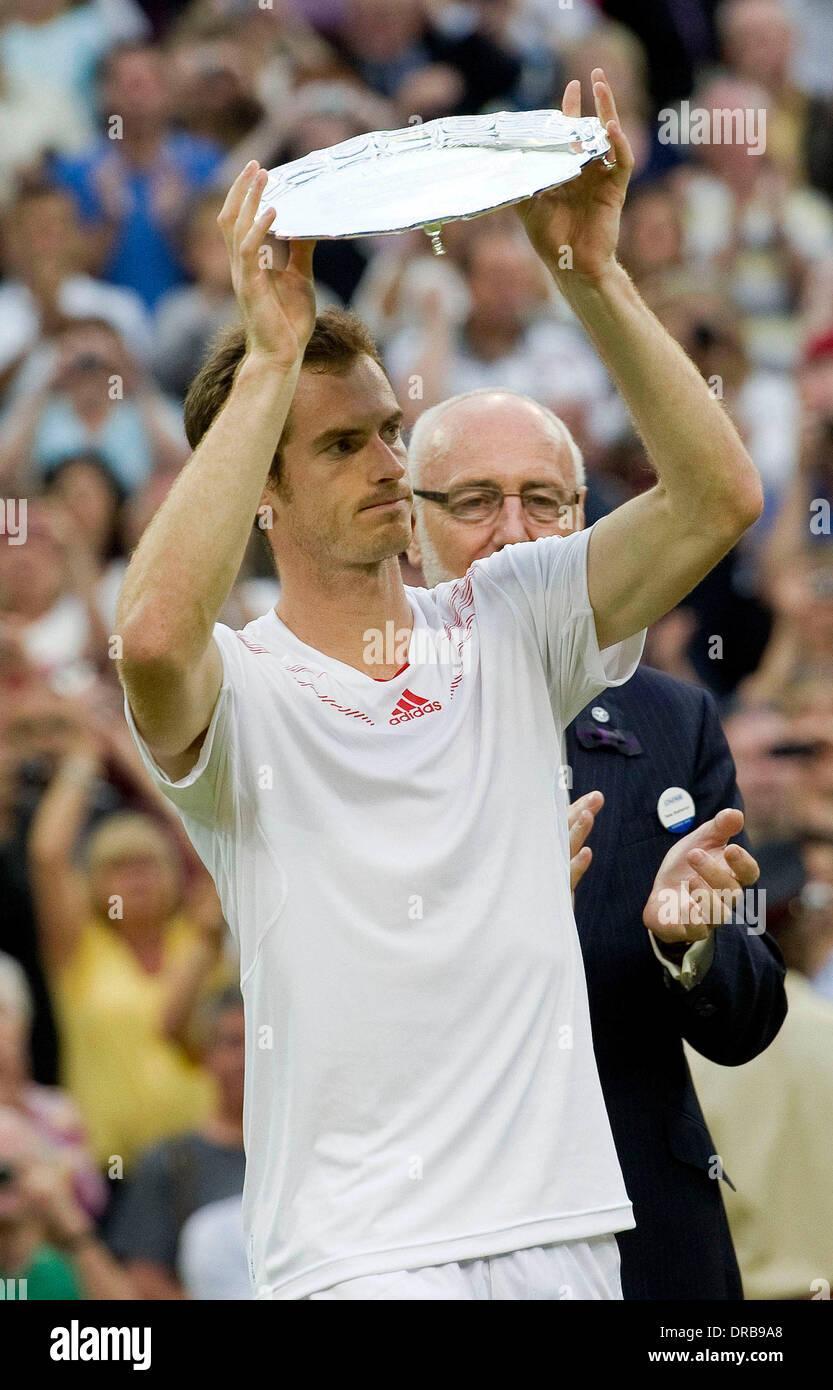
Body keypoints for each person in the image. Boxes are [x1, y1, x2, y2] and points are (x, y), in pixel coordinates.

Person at [115, 72, 763, 1301]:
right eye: (340, 443)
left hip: (563, 1223)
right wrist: (265, 361)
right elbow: (148, 635)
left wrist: (589, 276)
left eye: (386, 429)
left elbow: (718, 499)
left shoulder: (508, 618)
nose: (386, 459)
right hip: (355, 1250)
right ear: (260, 487)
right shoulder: (237, 685)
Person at [406, 386, 787, 1299]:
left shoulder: (672, 720)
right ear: (408, 529)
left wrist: (689, 946)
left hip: (646, 1226)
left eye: (545, 501)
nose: (514, 532)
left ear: (585, 522)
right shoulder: (355, 720)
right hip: (437, 1228)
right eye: (472, 501)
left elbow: (749, 1019)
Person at [106, 985, 246, 1299]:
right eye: (234, 1043)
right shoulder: (169, 1162)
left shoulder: (300, 1156)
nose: (246, 1059)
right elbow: (143, 1279)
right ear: (207, 1055)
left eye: (258, 1044)